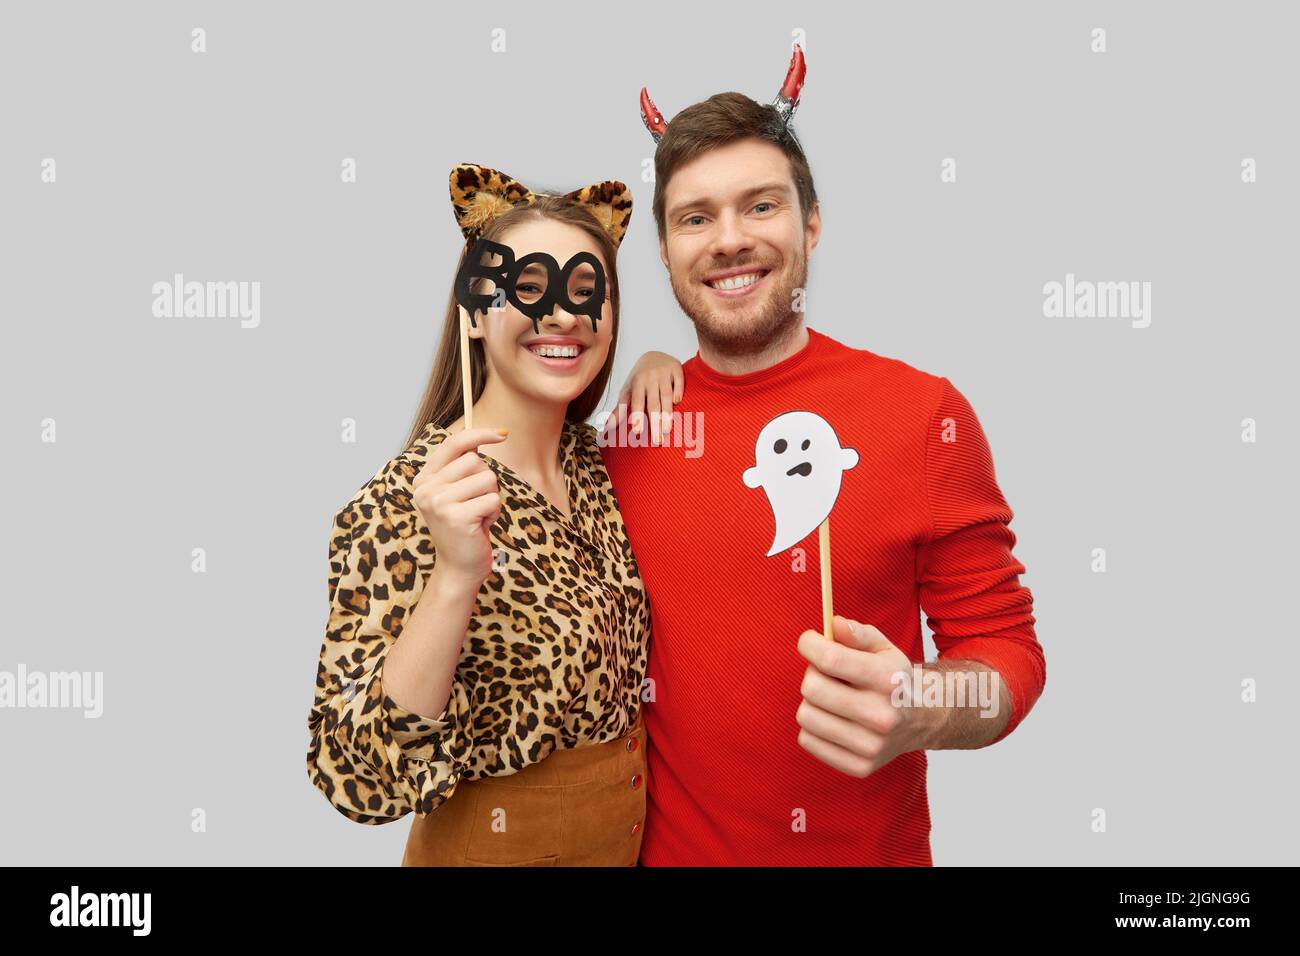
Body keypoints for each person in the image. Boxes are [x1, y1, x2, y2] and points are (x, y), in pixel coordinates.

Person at [598, 51, 1047, 865]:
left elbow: (1009, 657)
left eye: (759, 206)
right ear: (663, 252)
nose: (729, 240)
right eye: (694, 218)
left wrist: (926, 703)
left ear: (811, 221)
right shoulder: (627, 436)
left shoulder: (924, 416)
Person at [306, 164, 650, 866]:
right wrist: (456, 575)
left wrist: (667, 367)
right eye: (528, 289)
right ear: (473, 311)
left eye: (590, 292)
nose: (561, 313)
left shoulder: (600, 468)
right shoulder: (409, 498)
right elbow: (356, 774)